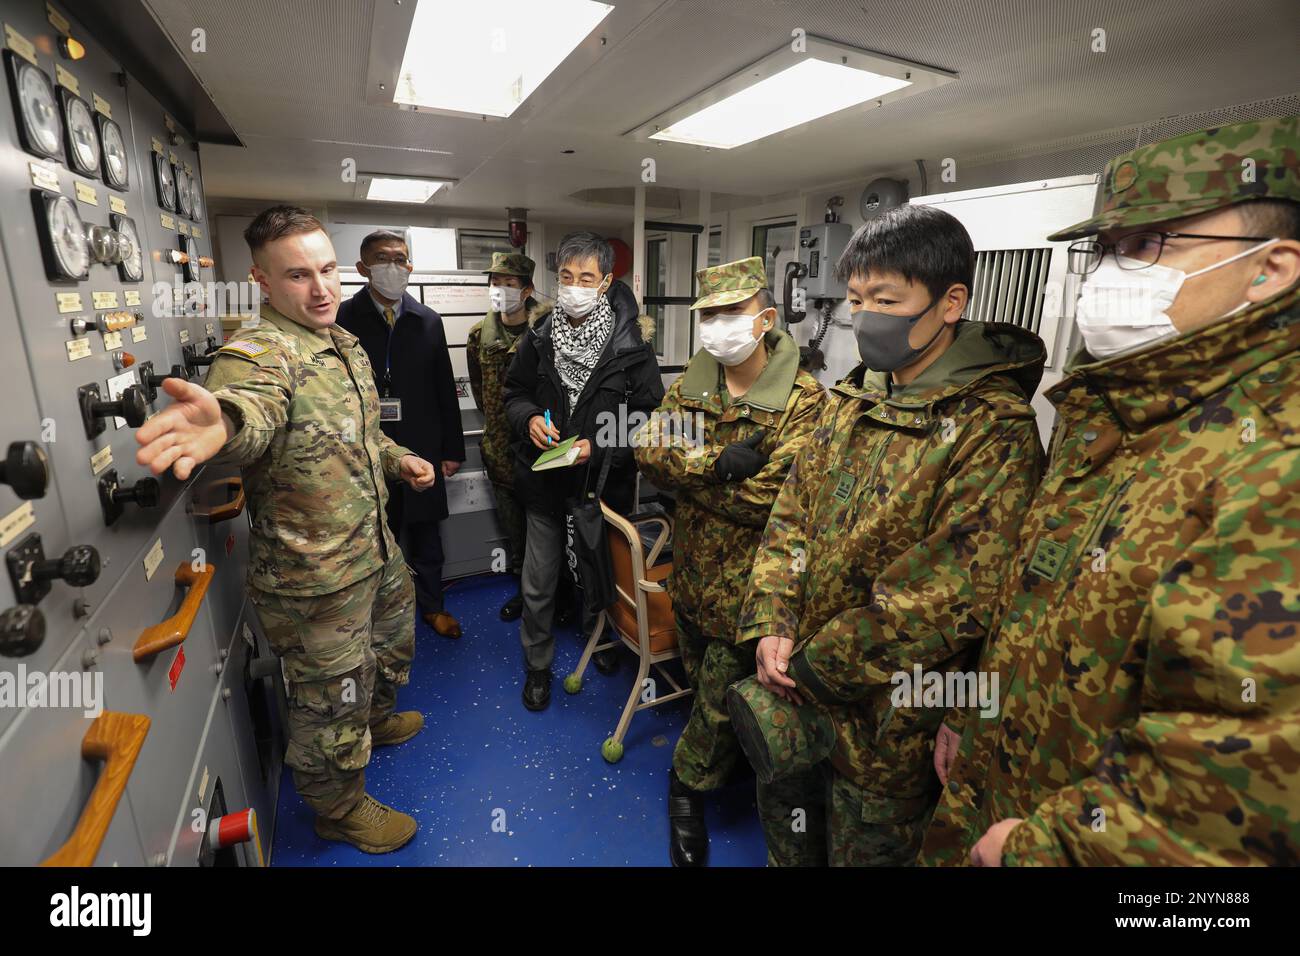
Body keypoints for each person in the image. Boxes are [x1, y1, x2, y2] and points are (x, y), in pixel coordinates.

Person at [920, 115, 1300, 867]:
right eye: (1107, 247)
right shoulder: (1110, 410)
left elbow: (1244, 783)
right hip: (994, 787)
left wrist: (1040, 850)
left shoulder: (1272, 457)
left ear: (1272, 267)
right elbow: (1033, 601)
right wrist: (970, 711)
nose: (1111, 271)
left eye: (1149, 244)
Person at [732, 203, 1047, 866]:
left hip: (890, 727)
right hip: (795, 688)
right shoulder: (854, 395)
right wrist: (772, 619)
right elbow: (792, 513)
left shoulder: (991, 427)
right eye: (855, 298)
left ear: (949, 301)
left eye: (886, 297)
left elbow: (951, 598)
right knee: (788, 841)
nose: (865, 314)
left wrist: (812, 669)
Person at [134, 205, 437, 854]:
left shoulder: (342, 344)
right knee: (330, 704)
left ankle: (374, 723)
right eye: (299, 275)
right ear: (263, 283)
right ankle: (340, 809)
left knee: (388, 652)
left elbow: (360, 433)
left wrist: (396, 457)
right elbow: (250, 407)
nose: (322, 288)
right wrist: (225, 425)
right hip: (316, 582)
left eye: (327, 270)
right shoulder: (259, 352)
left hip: (374, 553)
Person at [633, 256, 824, 866]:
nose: (716, 326)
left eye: (730, 313)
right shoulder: (695, 380)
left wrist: (688, 480)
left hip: (755, 590)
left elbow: (775, 498)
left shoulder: (804, 399)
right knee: (702, 687)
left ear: (765, 318)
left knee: (718, 698)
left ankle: (684, 789)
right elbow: (647, 446)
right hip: (692, 578)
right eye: (707, 315)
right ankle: (718, 761)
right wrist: (712, 466)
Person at [504, 231, 665, 711]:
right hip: (545, 486)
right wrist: (530, 418)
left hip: (602, 487)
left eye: (586, 278)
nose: (573, 286)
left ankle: (605, 641)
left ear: (605, 282)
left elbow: (648, 416)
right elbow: (514, 394)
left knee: (602, 573)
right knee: (538, 580)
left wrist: (598, 448)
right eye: (566, 277)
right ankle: (537, 665)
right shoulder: (538, 336)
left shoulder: (631, 345)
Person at [337, 230, 466, 638]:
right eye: (382, 258)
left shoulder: (428, 321)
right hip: (366, 449)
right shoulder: (341, 320)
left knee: (427, 535)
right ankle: (380, 619)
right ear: (363, 269)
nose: (394, 266)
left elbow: (445, 387)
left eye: (401, 259)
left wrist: (452, 449)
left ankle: (432, 607)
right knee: (374, 535)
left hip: (423, 445)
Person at [467, 252, 553, 621]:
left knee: (548, 530)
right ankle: (523, 590)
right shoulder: (478, 336)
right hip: (501, 451)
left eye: (509, 283)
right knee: (515, 530)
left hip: (541, 447)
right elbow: (478, 390)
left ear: (528, 289)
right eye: (494, 282)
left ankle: (555, 595)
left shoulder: (548, 329)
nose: (500, 290)